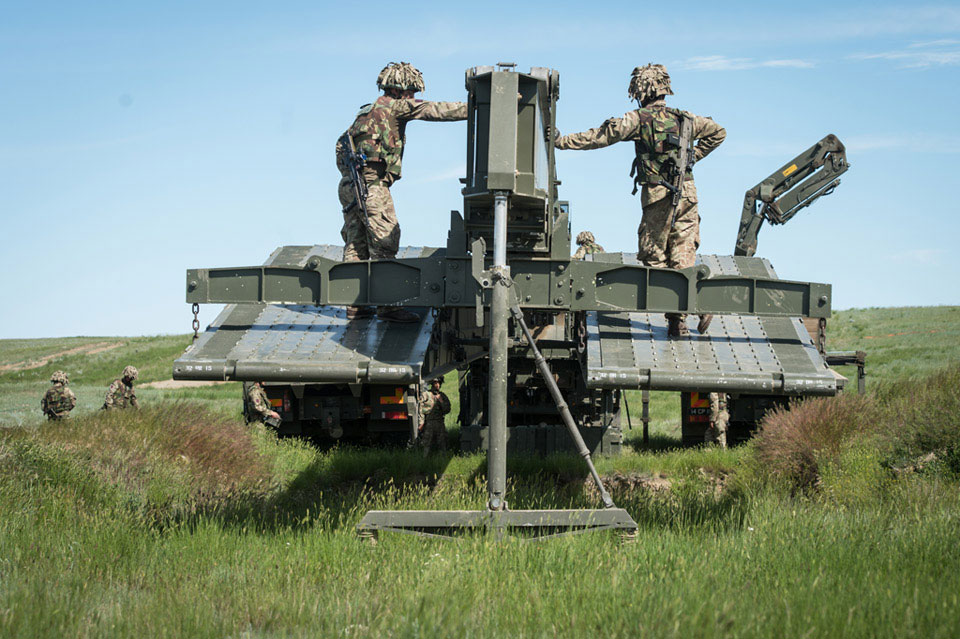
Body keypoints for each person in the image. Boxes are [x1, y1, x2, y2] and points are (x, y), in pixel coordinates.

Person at [555, 63, 726, 337]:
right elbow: (718, 132)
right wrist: (692, 158)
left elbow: (601, 136)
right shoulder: (686, 119)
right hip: (687, 194)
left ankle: (680, 315)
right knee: (683, 256)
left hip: (658, 196)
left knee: (654, 258)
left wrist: (562, 141)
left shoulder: (638, 119)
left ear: (640, 90)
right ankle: (683, 316)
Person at [336, 61, 468, 322]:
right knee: (386, 239)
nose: (414, 98)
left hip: (350, 185)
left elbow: (341, 147)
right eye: (411, 93)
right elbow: (436, 110)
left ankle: (355, 306)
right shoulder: (395, 107)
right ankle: (388, 306)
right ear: (401, 89)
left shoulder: (365, 112)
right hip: (372, 186)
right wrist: (476, 107)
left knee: (356, 243)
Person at [418, 376, 451, 454]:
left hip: (440, 423)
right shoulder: (426, 394)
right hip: (429, 423)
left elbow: (447, 410)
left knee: (442, 444)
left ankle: (441, 459)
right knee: (426, 444)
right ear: (432, 384)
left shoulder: (442, 396)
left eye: (439, 383)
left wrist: (441, 401)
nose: (437, 385)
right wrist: (421, 422)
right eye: (435, 383)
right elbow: (420, 408)